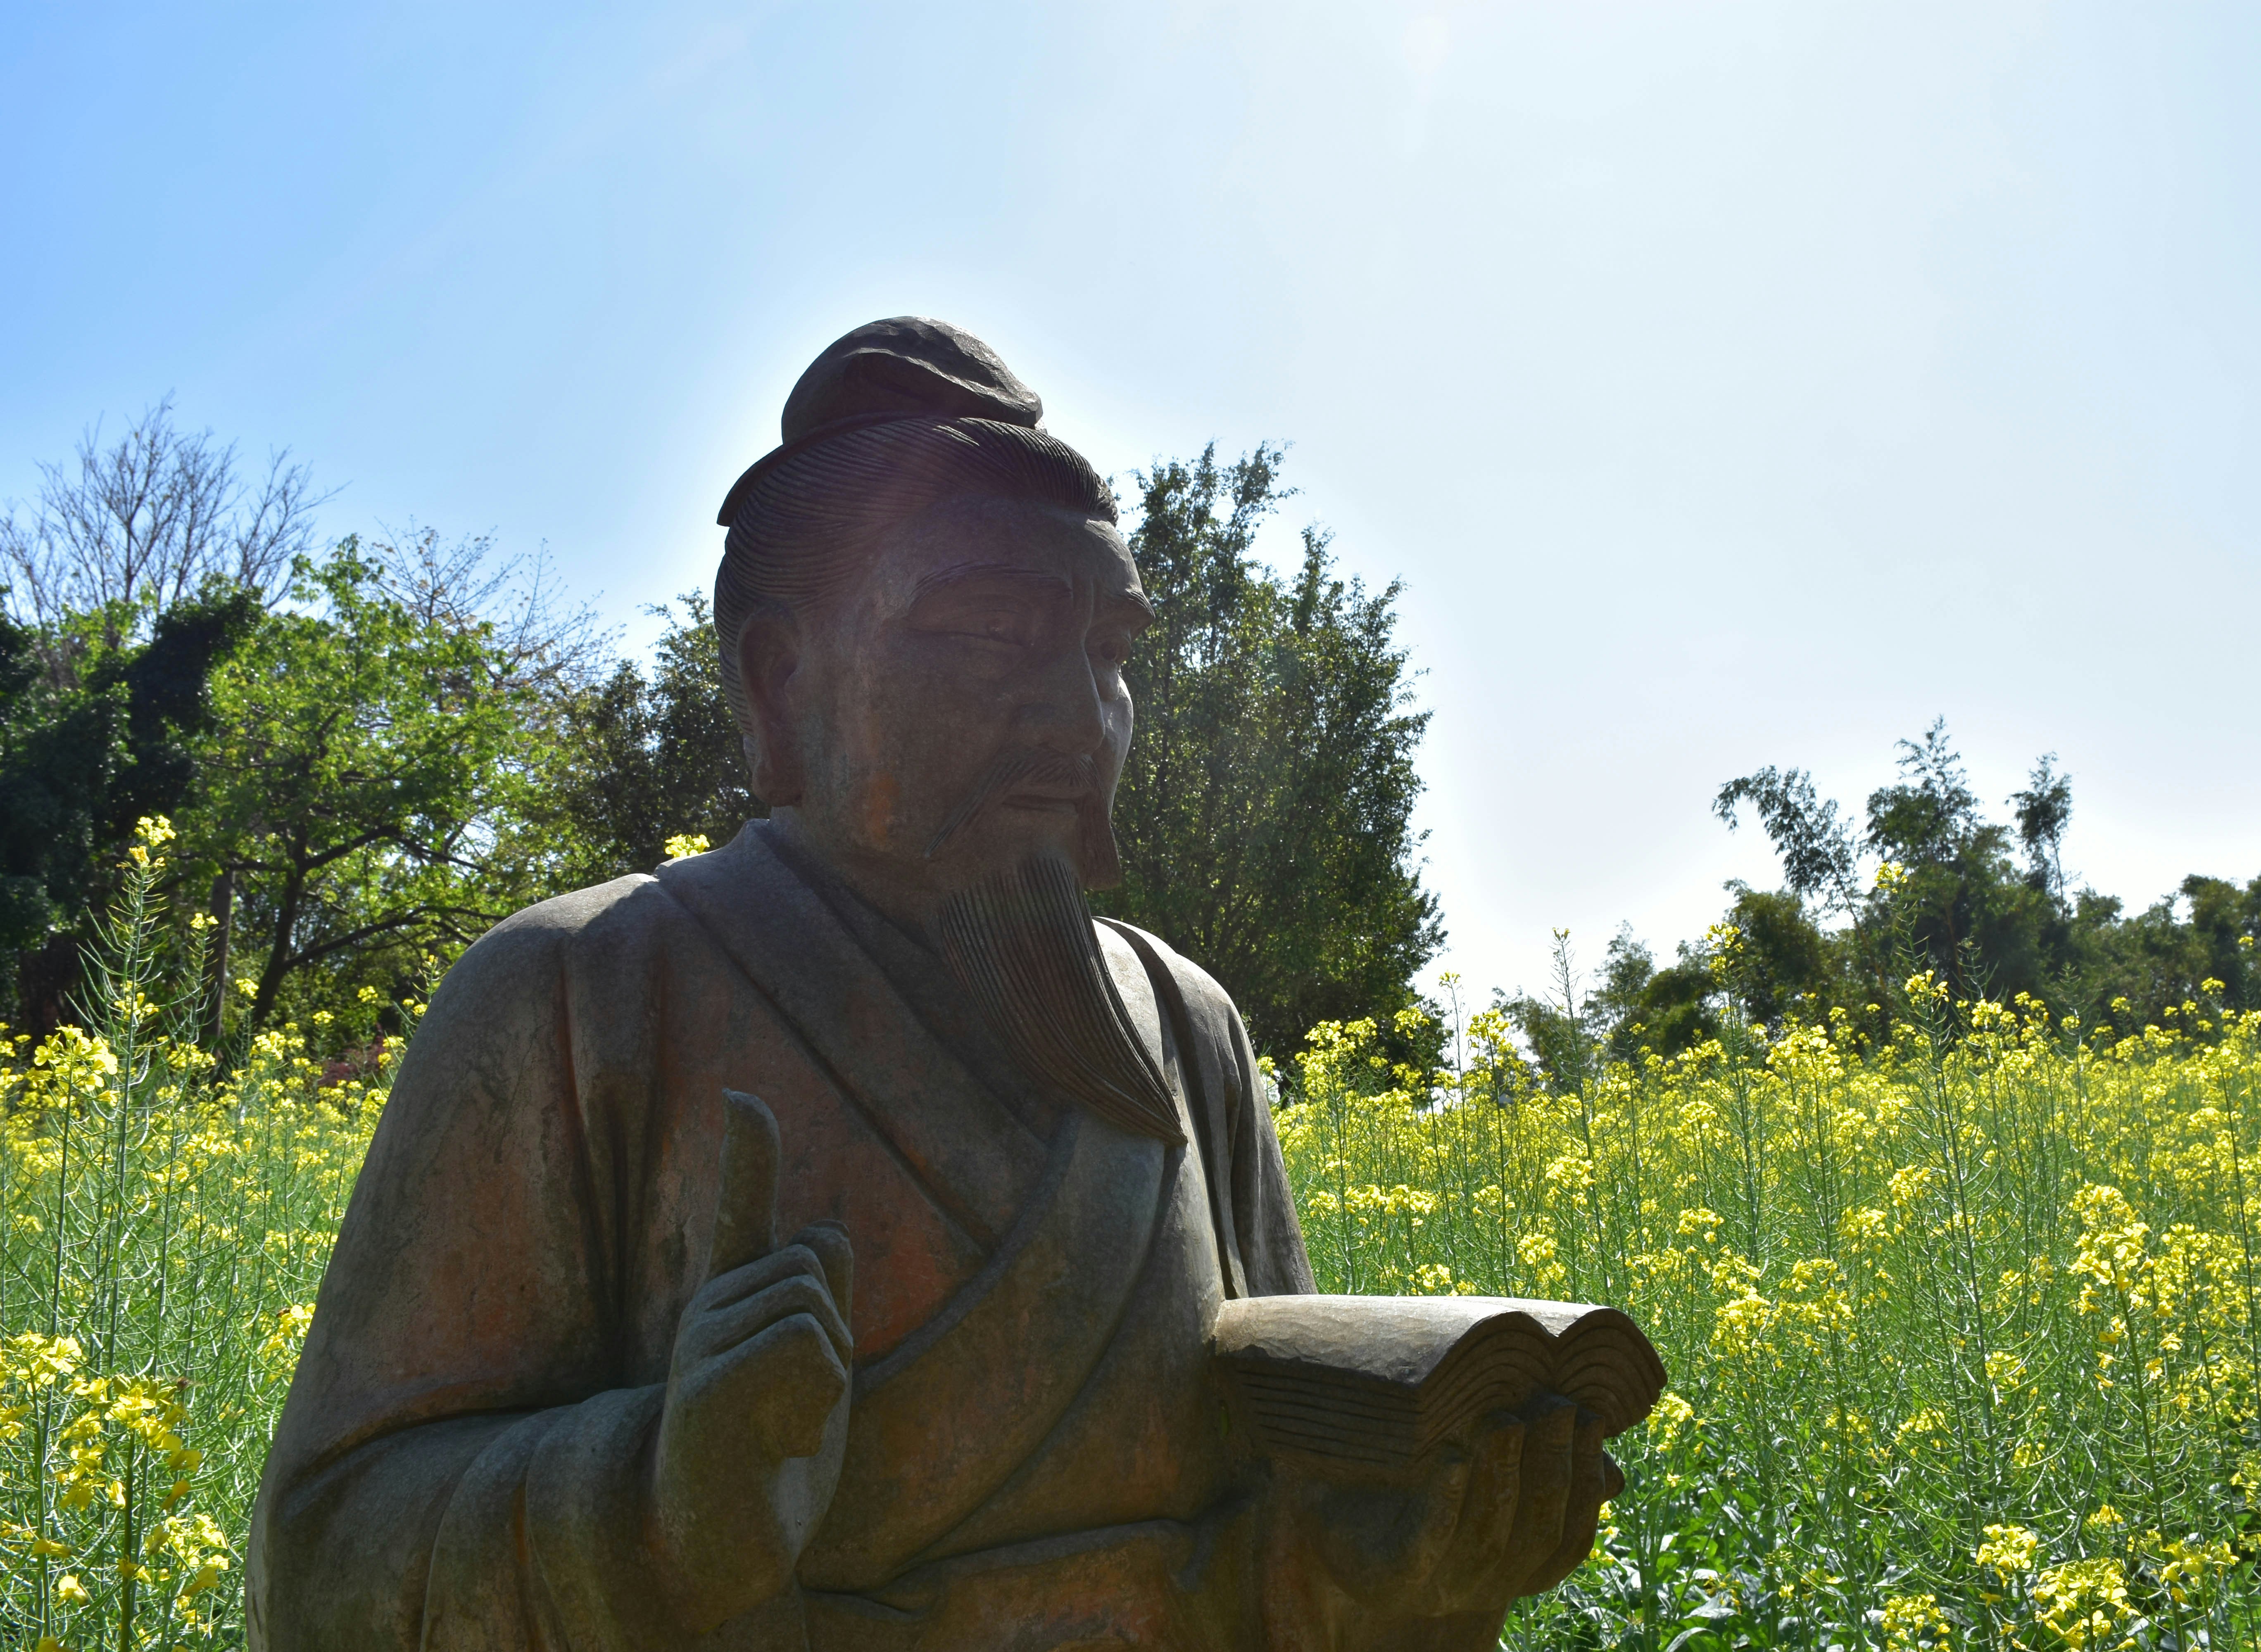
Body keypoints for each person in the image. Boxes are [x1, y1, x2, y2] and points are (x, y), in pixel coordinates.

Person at [246, 318, 1621, 1650]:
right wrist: (651, 1508)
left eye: (1108, 655)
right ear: (778, 678)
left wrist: (1402, 1571)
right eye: (986, 637)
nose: (1081, 720)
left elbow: (1274, 1496)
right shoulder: (581, 995)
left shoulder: (1186, 1026)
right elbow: (321, 1566)